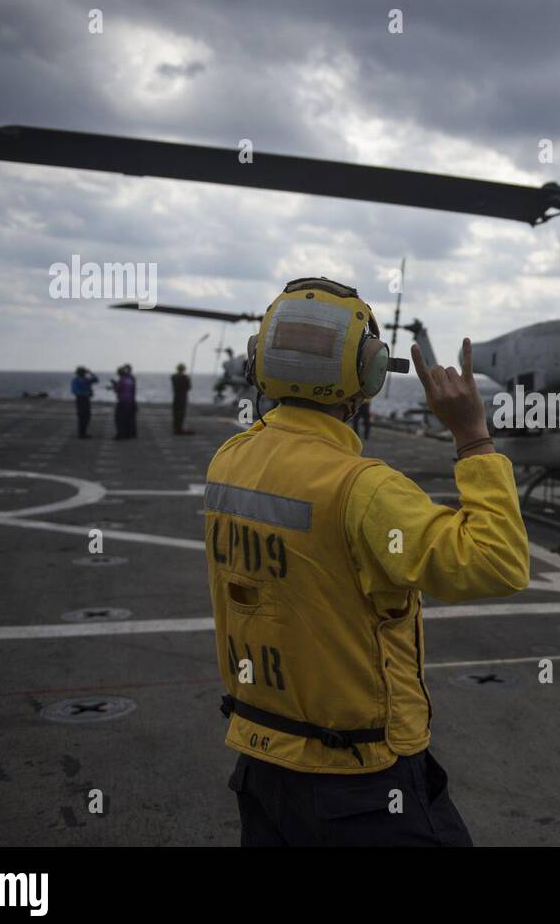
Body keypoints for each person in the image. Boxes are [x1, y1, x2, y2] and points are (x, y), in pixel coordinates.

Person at [205, 276, 529, 846]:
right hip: (358, 783)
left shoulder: (229, 460)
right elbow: (498, 563)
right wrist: (473, 437)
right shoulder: (365, 489)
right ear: (371, 373)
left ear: (258, 361)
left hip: (262, 763)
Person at [71, 366, 98, 438]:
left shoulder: (86, 379)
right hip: (80, 399)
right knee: (82, 416)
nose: (83, 373)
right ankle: (81, 433)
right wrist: (85, 393)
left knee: (87, 416)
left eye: (83, 372)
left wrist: (91, 373)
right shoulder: (76, 380)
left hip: (86, 399)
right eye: (82, 372)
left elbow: (96, 380)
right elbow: (74, 391)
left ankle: (83, 432)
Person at [171, 363, 192, 434]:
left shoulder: (173, 377)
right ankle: (179, 428)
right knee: (181, 413)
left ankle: (175, 427)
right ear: (184, 369)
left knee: (175, 412)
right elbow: (189, 387)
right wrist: (189, 379)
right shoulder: (185, 377)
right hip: (183, 397)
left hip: (176, 397)